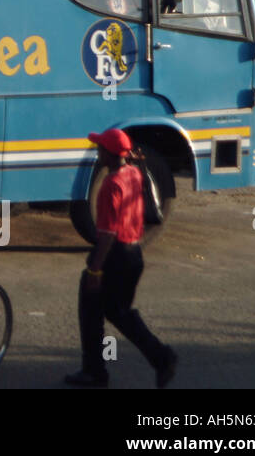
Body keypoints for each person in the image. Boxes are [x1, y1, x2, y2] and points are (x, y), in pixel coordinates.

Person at [66, 128, 178, 389]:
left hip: (113, 256)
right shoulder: (134, 173)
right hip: (133, 254)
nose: (97, 153)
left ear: (108, 154)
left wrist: (95, 270)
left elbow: (106, 233)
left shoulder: (111, 185)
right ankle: (159, 358)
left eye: (100, 149)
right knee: (118, 312)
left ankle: (96, 371)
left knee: (91, 309)